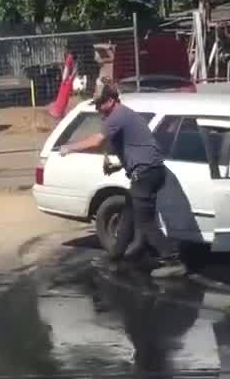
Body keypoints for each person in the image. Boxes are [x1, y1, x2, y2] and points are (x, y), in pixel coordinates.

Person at [60, 84, 186, 278]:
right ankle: (116, 257)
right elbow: (139, 147)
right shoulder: (126, 115)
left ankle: (172, 260)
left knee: (145, 221)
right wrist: (119, 166)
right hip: (150, 171)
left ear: (111, 101)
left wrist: (69, 147)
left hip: (145, 174)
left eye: (100, 104)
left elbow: (96, 141)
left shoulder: (117, 116)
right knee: (128, 214)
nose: (97, 108)